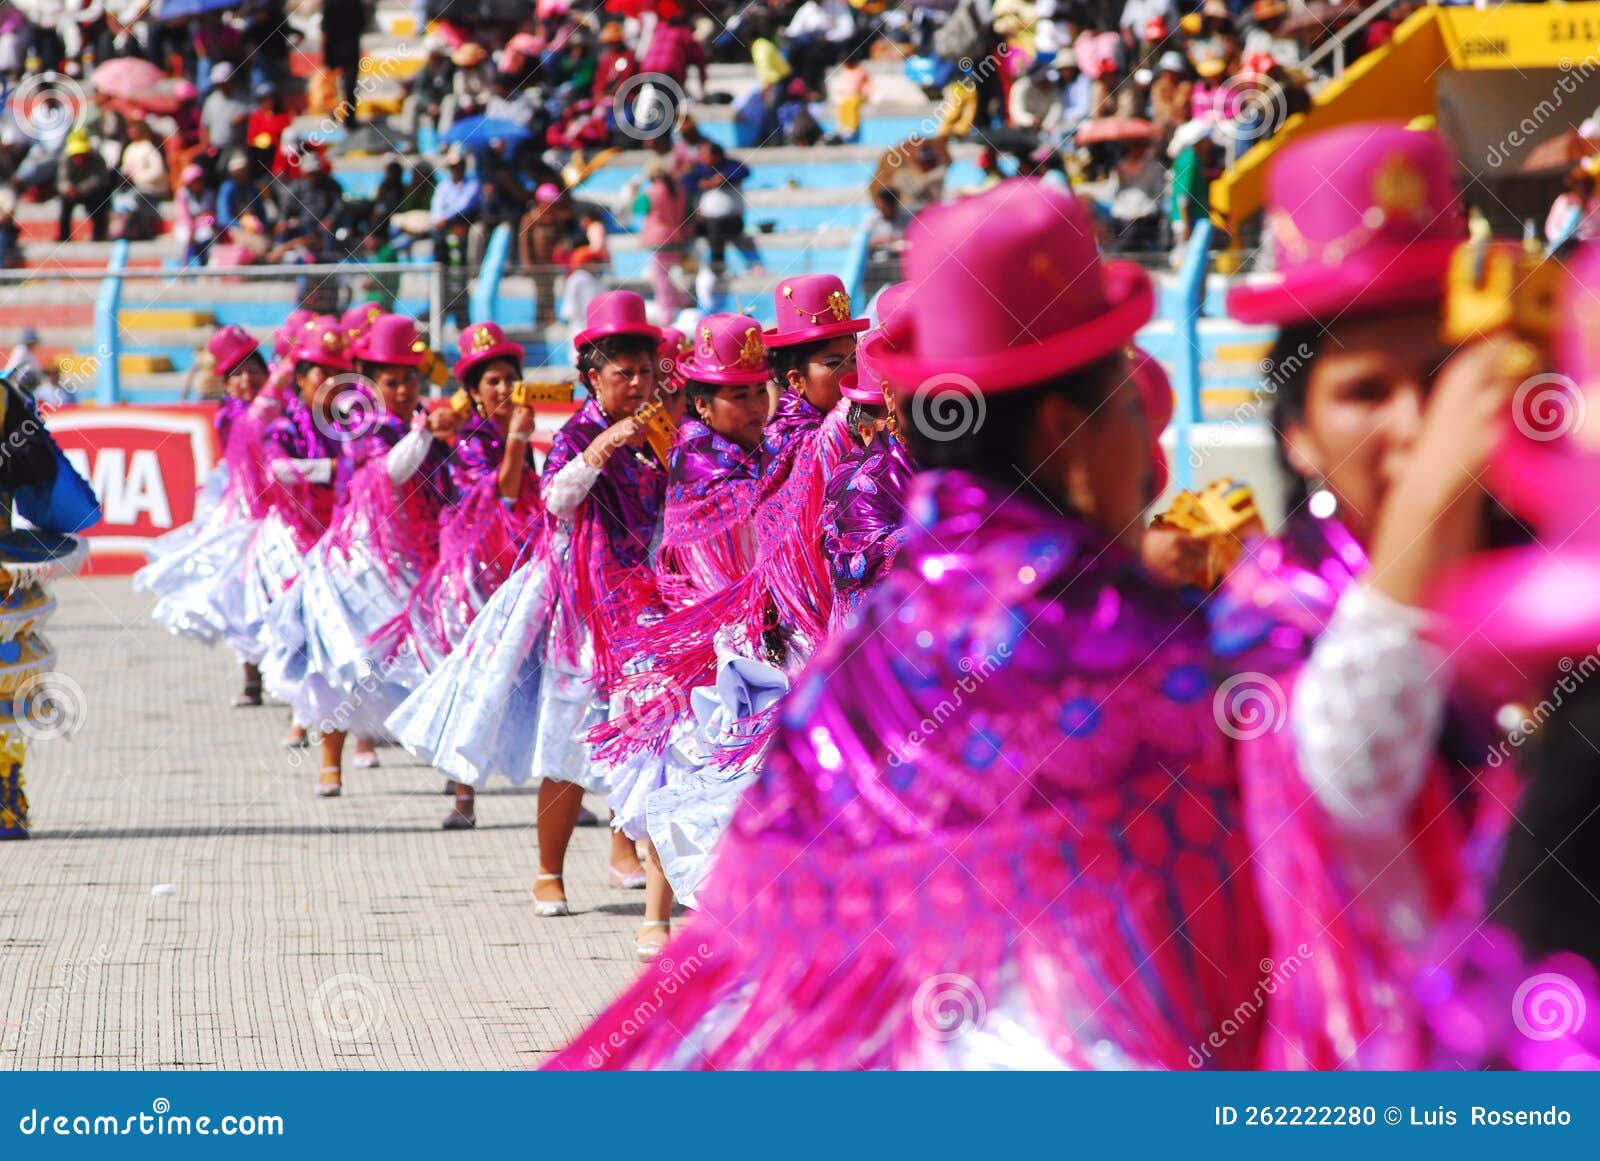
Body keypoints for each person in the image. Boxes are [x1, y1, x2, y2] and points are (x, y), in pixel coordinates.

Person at [548, 179, 1269, 1069]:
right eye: (1127, 405)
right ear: (1063, 429)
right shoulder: (1137, 647)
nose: (1150, 451)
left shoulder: (868, 659)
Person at [1211, 121, 1516, 1069]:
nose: (1416, 423)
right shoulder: (1268, 611)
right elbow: (1348, 780)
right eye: (1365, 390)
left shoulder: (1541, 567)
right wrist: (1431, 515)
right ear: (1297, 437)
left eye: (1437, 378)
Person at [261, 314, 453, 798]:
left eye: (412, 378)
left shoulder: (419, 420)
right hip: (357, 557)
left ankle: (458, 776)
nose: (405, 389)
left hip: (412, 558)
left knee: (435, 657)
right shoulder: (358, 422)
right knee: (342, 662)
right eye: (392, 381)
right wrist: (428, 432)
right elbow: (390, 470)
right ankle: (331, 760)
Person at [377, 321, 544, 827]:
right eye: (491, 381)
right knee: (472, 673)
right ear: (472, 392)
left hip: (515, 561)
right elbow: (504, 495)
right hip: (471, 574)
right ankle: (463, 797)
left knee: (532, 672)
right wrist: (516, 441)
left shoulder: (511, 429)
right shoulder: (471, 438)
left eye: (509, 379)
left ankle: (561, 791)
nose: (503, 389)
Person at [686, 141, 763, 273]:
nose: (702, 157)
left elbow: (744, 171)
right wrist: (702, 184)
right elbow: (686, 182)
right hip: (707, 220)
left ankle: (718, 265)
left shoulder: (730, 166)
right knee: (688, 229)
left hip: (732, 221)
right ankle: (689, 266)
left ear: (716, 156)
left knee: (715, 227)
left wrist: (724, 178)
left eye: (705, 154)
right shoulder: (700, 170)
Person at [639, 157, 691, 321]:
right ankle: (681, 303)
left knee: (661, 278)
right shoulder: (680, 190)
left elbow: (638, 207)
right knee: (673, 275)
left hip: (658, 239)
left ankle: (667, 312)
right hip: (677, 237)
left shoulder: (652, 191)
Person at [56, 131, 114, 243]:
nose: (79, 158)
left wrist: (81, 189)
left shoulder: (96, 157)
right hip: (71, 192)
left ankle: (99, 234)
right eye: (76, 155)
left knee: (100, 202)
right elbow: (62, 179)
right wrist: (68, 189)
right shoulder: (65, 158)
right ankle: (64, 235)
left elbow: (100, 179)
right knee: (64, 203)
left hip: (92, 192)